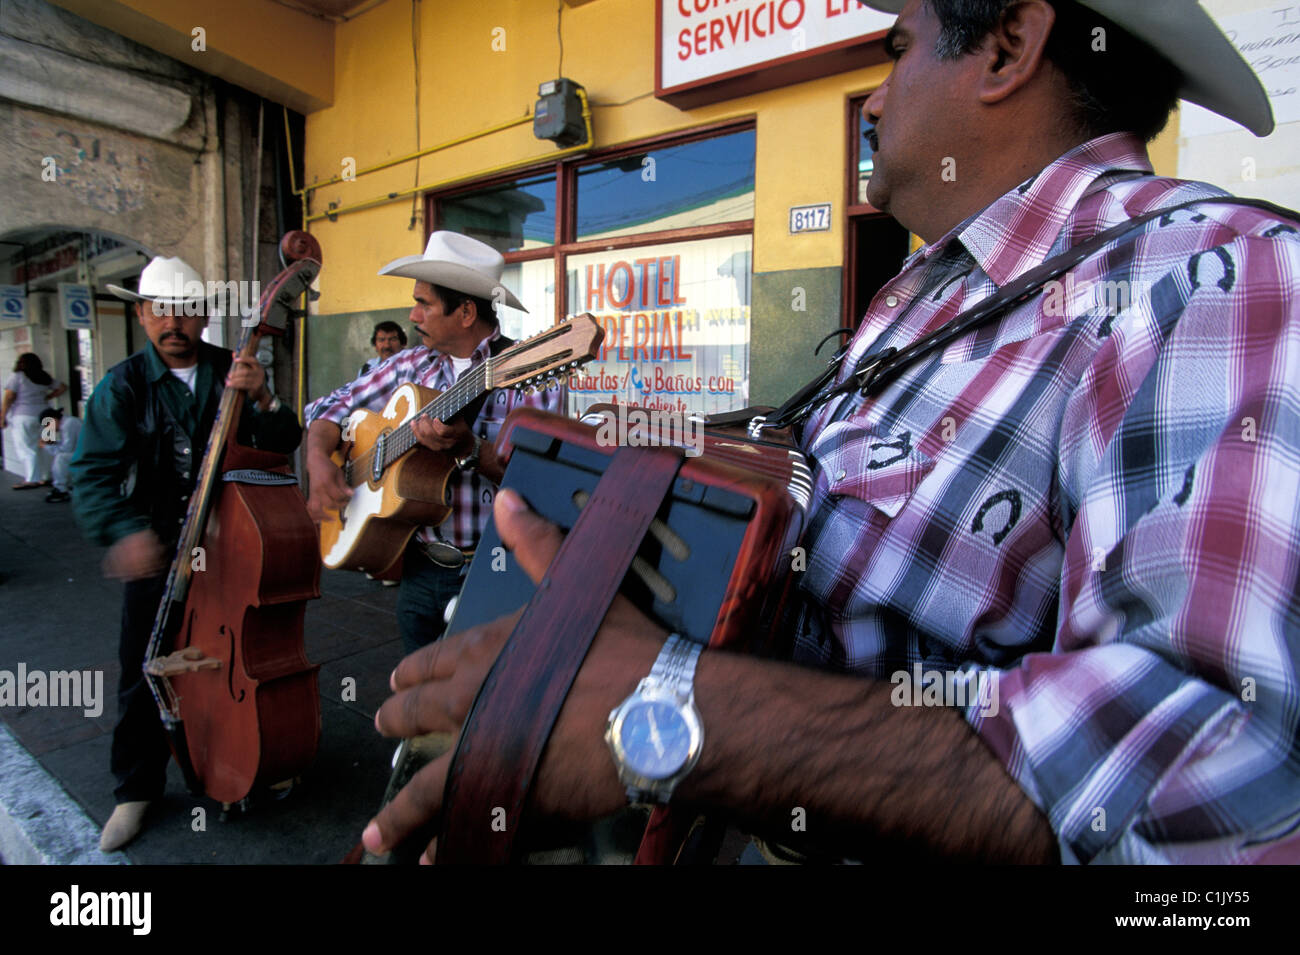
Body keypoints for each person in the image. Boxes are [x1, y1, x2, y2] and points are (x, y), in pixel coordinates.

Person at [361, 0, 1300, 864]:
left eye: (899, 50)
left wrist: (674, 712)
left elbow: (1222, 777)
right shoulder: (922, 293)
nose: (876, 98)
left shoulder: (1217, 274)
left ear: (1008, 47)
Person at [70, 255, 302, 852]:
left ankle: (234, 758)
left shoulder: (235, 369)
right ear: (143, 315)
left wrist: (268, 402)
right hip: (160, 551)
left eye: (185, 311)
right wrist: (123, 530)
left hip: (230, 546)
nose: (172, 323)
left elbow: (285, 444)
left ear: (202, 317)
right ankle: (136, 792)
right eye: (160, 312)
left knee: (229, 661)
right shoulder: (120, 387)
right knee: (142, 671)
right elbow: (92, 476)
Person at [305, 232, 566, 655]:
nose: (413, 315)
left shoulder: (533, 374)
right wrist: (318, 460)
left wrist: (469, 450)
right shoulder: (411, 364)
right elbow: (329, 407)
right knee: (418, 699)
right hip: (419, 569)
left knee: (482, 701)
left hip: (494, 570)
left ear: (465, 312)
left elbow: (542, 484)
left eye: (424, 303)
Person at [2, 353, 66, 489]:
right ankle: (48, 476)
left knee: (27, 448)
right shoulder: (44, 376)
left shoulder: (17, 377)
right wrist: (48, 397)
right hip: (47, 415)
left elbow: (9, 397)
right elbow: (62, 387)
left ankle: (32, 479)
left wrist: (2, 417)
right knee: (49, 444)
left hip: (23, 417)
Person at [37, 406, 80, 503]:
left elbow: (66, 449)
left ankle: (61, 488)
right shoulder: (68, 423)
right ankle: (62, 486)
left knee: (61, 458)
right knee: (61, 457)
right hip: (82, 451)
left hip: (89, 453)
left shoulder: (69, 424)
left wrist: (46, 446)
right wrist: (53, 443)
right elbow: (68, 445)